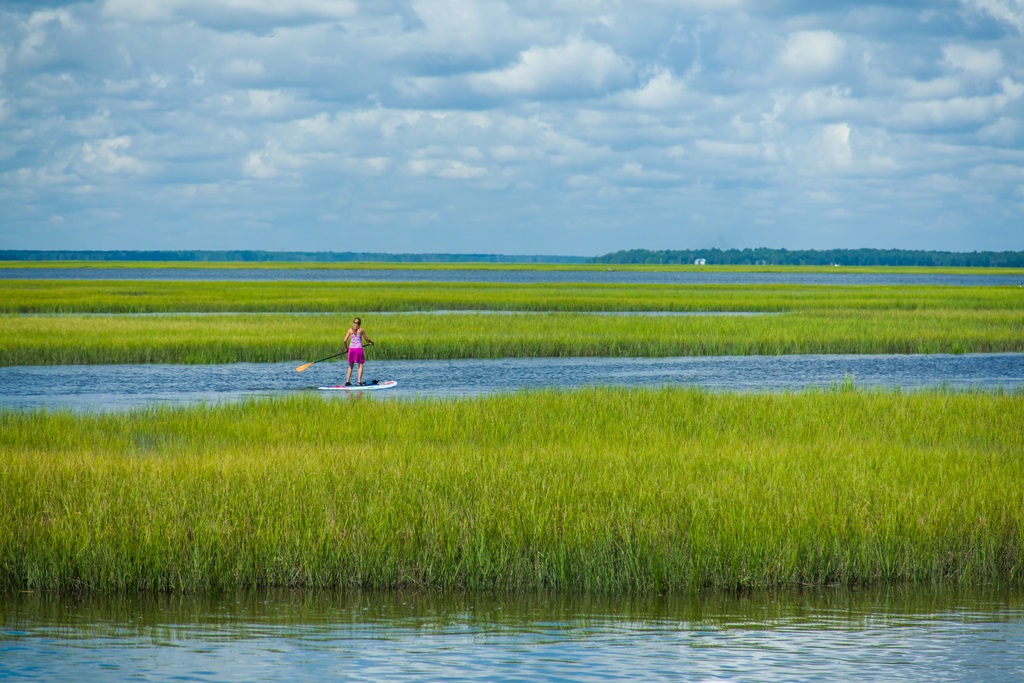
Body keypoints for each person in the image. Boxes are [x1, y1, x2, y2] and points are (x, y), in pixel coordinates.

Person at [343, 317, 374, 386]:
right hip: (358, 349)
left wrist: (347, 348)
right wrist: (371, 342)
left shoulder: (349, 330)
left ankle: (347, 381)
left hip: (351, 350)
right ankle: (359, 381)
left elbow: (344, 341)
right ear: (360, 323)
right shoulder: (361, 330)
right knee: (360, 365)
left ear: (353, 322)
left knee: (351, 365)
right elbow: (367, 339)